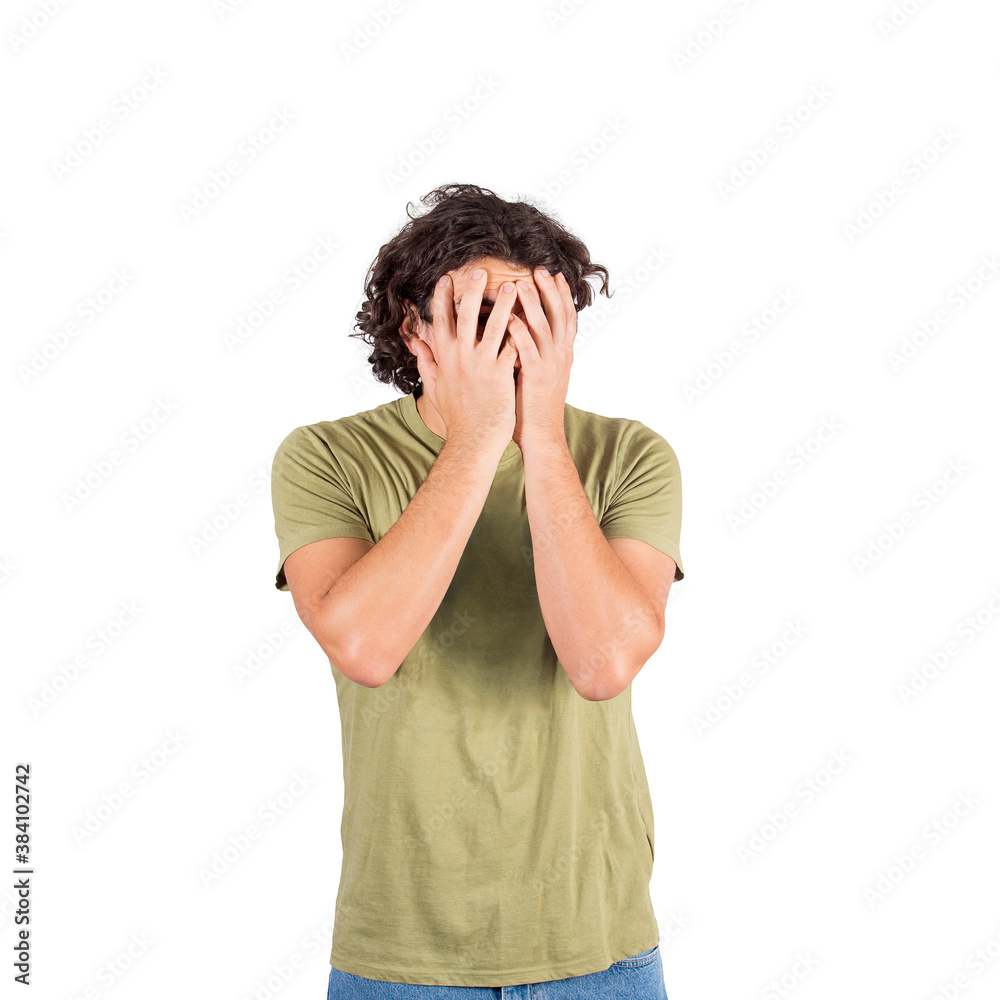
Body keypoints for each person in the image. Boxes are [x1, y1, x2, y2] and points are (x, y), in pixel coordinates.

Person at [270, 183, 683, 998]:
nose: (510, 339)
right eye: (480, 315)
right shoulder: (324, 459)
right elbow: (363, 647)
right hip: (402, 958)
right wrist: (481, 434)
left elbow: (602, 663)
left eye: (532, 315)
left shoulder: (630, 457)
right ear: (411, 324)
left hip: (598, 951)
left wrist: (541, 437)